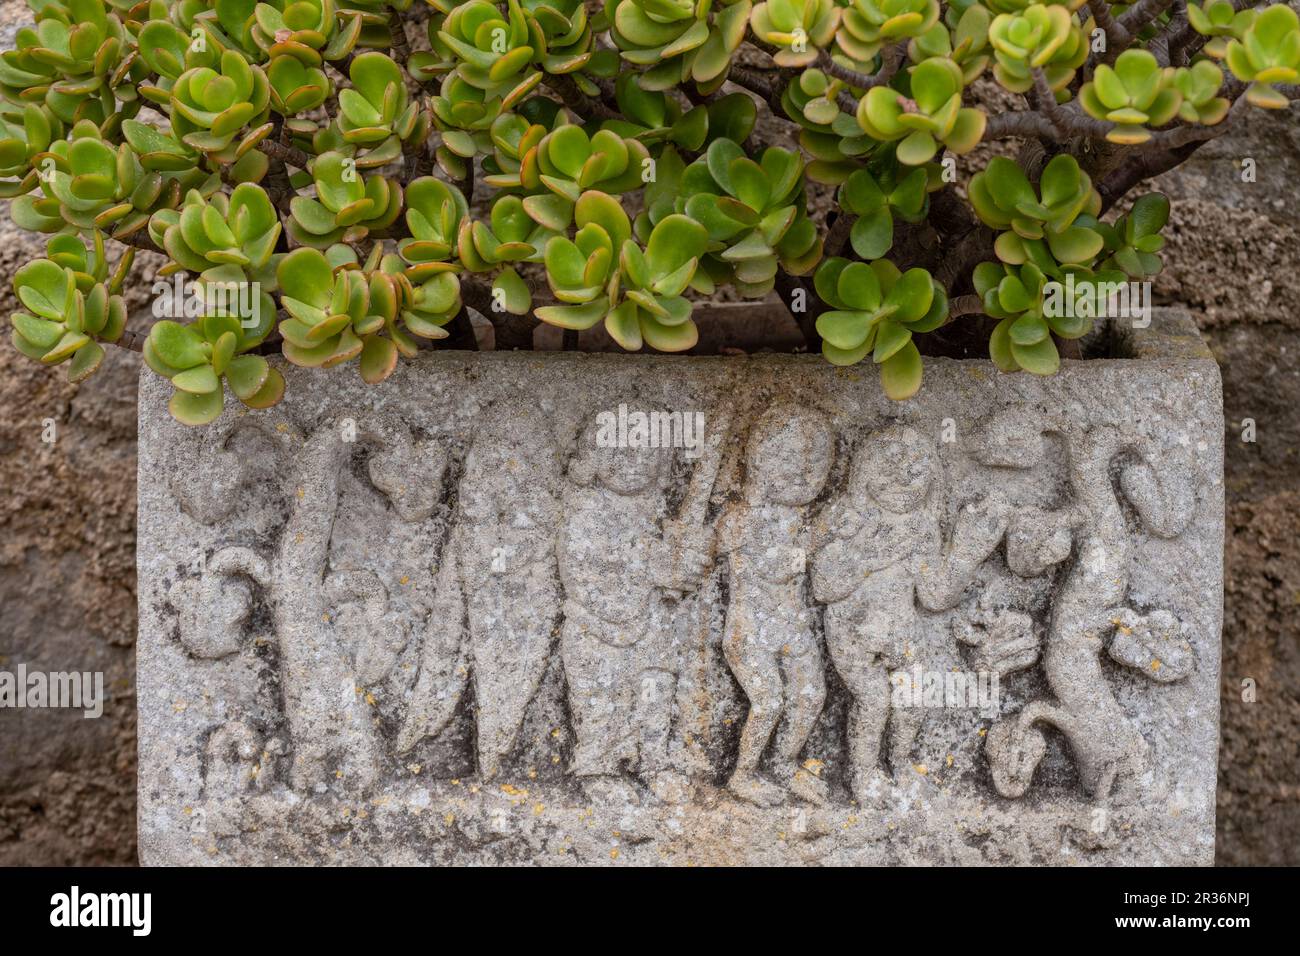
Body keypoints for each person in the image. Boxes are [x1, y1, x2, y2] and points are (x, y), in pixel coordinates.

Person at [558, 410, 711, 807]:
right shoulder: (584, 512)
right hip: (600, 633)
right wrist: (648, 567)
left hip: (652, 631)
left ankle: (654, 760)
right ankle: (599, 768)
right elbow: (581, 570)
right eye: (619, 452)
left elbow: (673, 577)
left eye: (645, 452)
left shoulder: (655, 513)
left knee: (655, 695)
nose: (632, 463)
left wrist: (682, 570)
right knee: (601, 702)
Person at [718, 406, 835, 806]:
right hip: (750, 630)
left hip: (791, 625)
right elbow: (774, 567)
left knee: (811, 695)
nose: (803, 472)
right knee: (768, 700)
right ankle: (743, 773)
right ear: (759, 461)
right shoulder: (743, 517)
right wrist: (814, 543)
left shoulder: (802, 518)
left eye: (815, 461)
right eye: (789, 459)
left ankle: (785, 762)